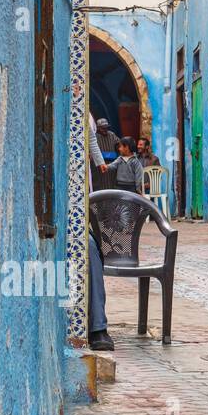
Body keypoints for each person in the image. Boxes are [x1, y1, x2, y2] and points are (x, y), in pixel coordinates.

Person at [86, 115, 113, 352]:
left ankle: (97, 326)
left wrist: (98, 161)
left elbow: (91, 141)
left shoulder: (86, 117)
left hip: (82, 214)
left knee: (90, 249)